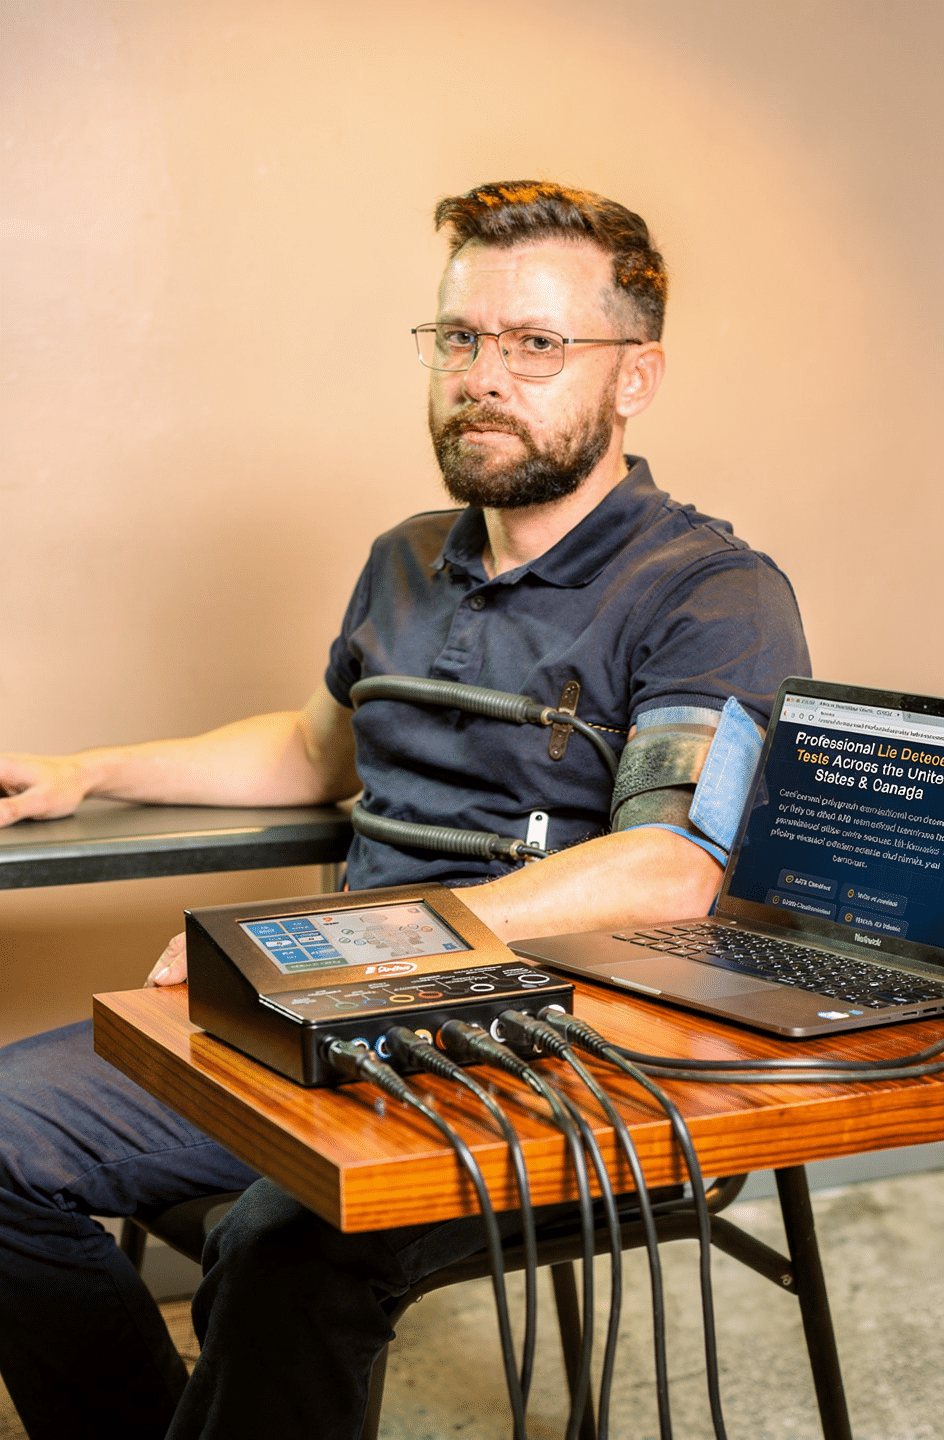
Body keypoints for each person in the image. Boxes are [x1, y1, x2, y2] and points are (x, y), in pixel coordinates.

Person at [0, 180, 809, 1439]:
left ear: (633, 377)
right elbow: (314, 749)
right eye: (460, 338)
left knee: (285, 1245)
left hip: (546, 1052)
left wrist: (339, 944)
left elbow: (668, 864)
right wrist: (91, 772)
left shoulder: (709, 593)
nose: (482, 375)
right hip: (320, 1014)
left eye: (534, 343)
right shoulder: (403, 558)